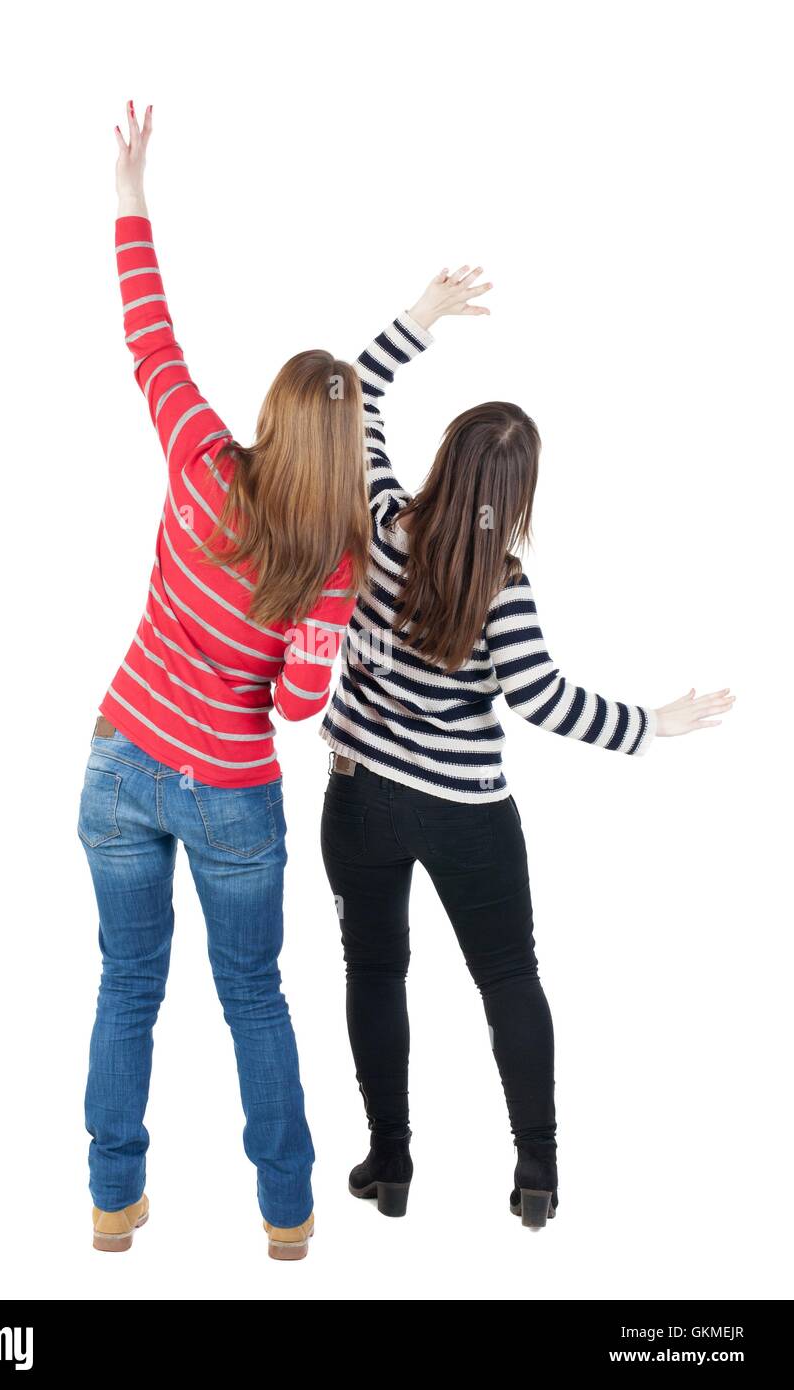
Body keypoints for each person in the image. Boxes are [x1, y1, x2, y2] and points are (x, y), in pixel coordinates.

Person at [319, 269, 734, 1228]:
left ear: (447, 460)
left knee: (374, 971)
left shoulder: (383, 527)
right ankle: (537, 1174)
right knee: (510, 979)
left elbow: (360, 399)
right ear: (513, 496)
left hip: (359, 799)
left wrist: (417, 319)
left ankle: (390, 1161)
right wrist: (648, 725)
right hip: (466, 812)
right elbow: (542, 698)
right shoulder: (500, 586)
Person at [79, 102, 369, 1260]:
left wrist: (130, 188)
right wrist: (310, 627)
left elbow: (148, 333)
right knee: (255, 996)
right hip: (233, 794)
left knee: (126, 985)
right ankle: (288, 1215)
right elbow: (298, 709)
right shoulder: (329, 567)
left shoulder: (200, 452)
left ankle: (112, 1203)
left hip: (119, 763)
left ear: (269, 416)